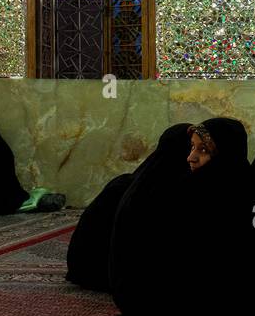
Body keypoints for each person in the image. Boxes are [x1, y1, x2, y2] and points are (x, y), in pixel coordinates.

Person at [103, 117, 255, 316]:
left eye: (203, 150)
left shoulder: (247, 198)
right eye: (192, 147)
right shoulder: (188, 194)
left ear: (224, 154)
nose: (191, 157)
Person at [66, 123, 192, 292]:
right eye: (194, 148)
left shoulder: (133, 182)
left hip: (87, 269)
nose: (194, 156)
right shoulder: (155, 193)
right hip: (107, 274)